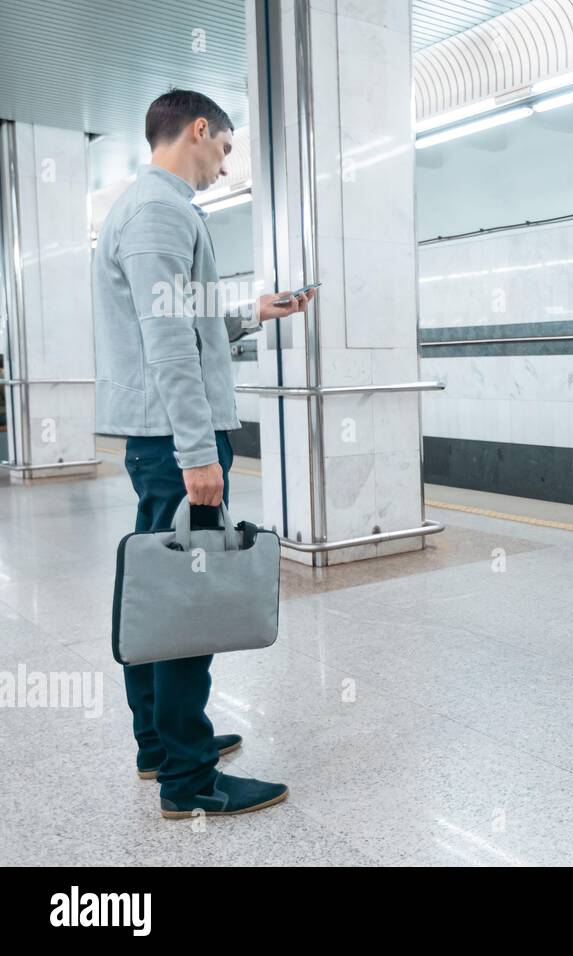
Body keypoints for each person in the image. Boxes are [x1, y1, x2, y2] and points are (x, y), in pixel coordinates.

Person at [93, 89, 313, 817]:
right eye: (222, 149)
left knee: (161, 592)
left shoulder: (145, 207)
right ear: (196, 130)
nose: (223, 167)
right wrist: (197, 451)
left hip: (162, 435)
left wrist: (251, 312)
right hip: (173, 438)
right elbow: (168, 347)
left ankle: (160, 746)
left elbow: (182, 323)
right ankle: (189, 780)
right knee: (185, 599)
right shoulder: (159, 211)